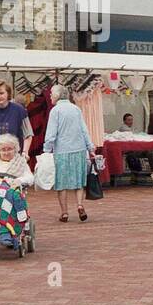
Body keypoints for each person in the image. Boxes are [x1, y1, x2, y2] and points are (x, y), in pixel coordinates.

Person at [44, 83, 95, 223]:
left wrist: (46, 150)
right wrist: (90, 147)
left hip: (62, 151)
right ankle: (79, 205)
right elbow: (84, 129)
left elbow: (51, 134)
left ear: (56, 95)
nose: (50, 96)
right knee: (79, 181)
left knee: (61, 183)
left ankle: (65, 212)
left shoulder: (55, 111)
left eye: (51, 94)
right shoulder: (76, 109)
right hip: (79, 149)